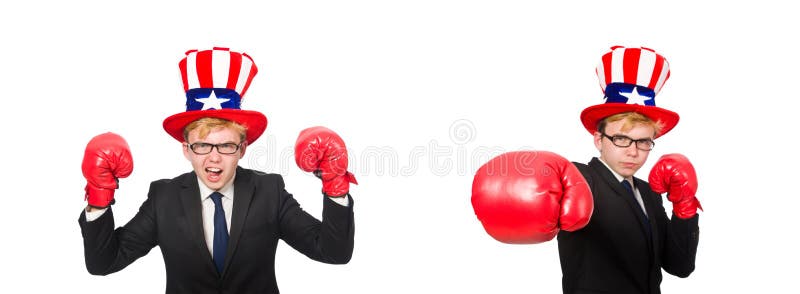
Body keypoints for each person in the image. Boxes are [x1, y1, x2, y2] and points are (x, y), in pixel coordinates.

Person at [78, 47, 357, 294]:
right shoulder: (164, 196)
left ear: (242, 150)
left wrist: (335, 183)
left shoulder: (269, 191)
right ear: (186, 149)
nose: (214, 158)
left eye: (226, 146)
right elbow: (104, 263)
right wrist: (99, 196)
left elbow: (333, 252)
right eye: (202, 145)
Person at [472, 46, 701, 294]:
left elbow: (680, 266)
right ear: (598, 139)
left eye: (643, 141)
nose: (633, 151)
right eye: (621, 139)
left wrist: (684, 206)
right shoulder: (578, 180)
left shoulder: (649, 193)